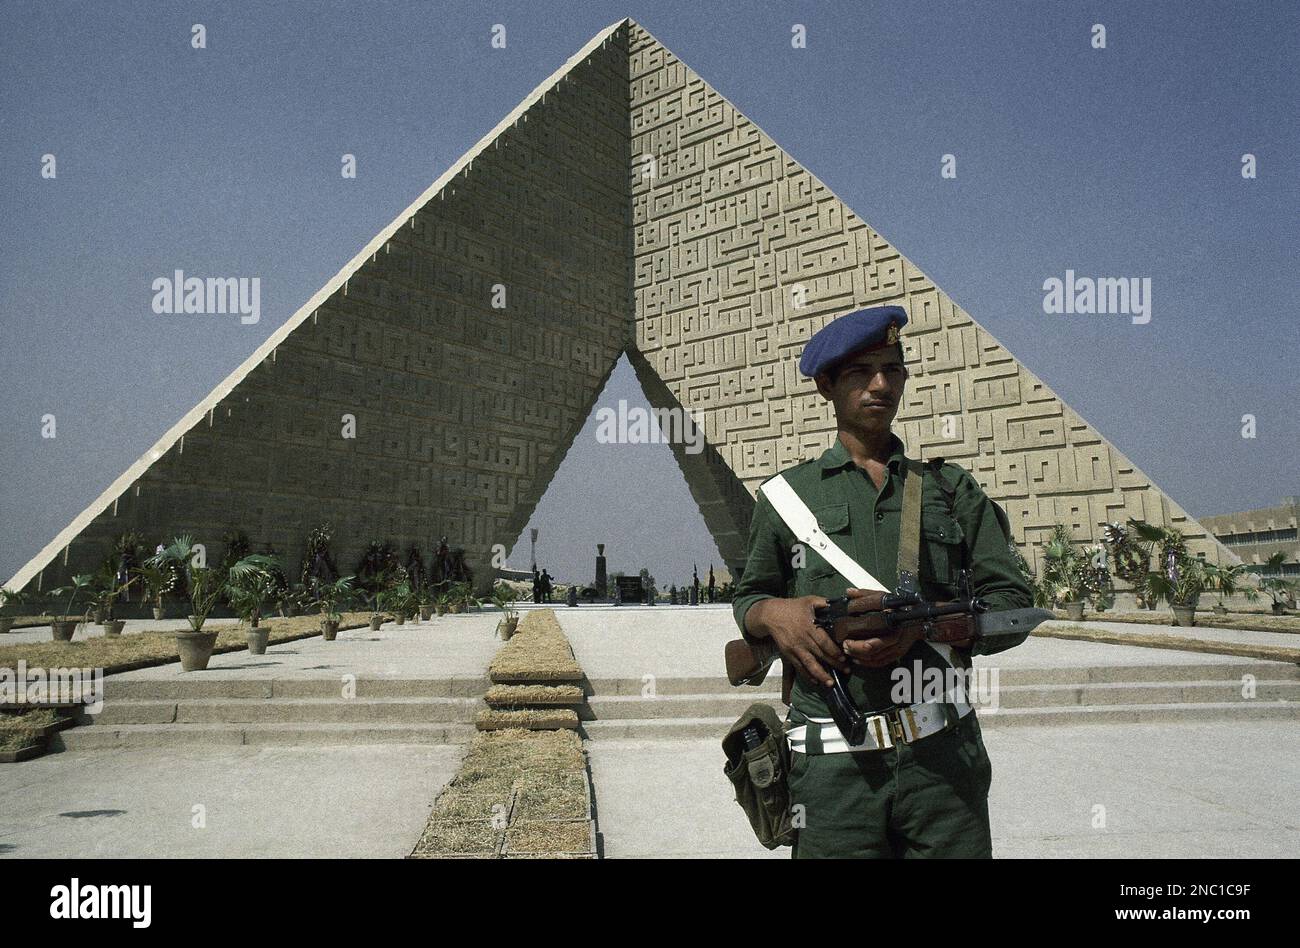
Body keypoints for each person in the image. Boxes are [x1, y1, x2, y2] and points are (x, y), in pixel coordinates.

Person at [731, 305, 1033, 859]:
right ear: (826, 385)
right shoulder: (785, 499)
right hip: (832, 775)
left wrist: (924, 630)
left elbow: (1013, 605)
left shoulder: (950, 491)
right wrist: (775, 615)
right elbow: (750, 596)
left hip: (944, 766)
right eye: (861, 372)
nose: (881, 384)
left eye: (893, 370)